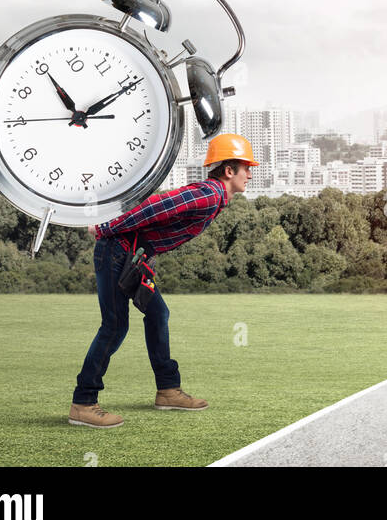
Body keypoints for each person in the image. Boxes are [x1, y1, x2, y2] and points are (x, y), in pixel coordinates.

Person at [68, 133, 258, 428]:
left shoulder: (215, 198)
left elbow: (160, 226)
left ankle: (168, 390)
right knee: (115, 326)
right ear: (229, 171)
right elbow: (156, 207)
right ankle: (83, 402)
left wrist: (146, 259)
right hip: (117, 250)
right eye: (246, 167)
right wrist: (107, 228)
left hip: (133, 256)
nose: (250, 173)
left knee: (158, 314)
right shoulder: (208, 194)